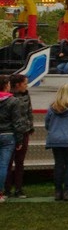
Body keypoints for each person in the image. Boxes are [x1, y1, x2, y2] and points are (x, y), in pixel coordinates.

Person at [5, 75, 34, 198]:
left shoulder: (26, 95)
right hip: (11, 132)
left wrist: (30, 126)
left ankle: (18, 188)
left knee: (20, 162)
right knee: (7, 162)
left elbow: (29, 112)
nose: (26, 86)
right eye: (25, 83)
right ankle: (6, 188)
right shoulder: (8, 98)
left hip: (24, 131)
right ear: (17, 85)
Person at [0, 75, 24, 204]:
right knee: (3, 165)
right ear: (6, 85)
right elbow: (17, 122)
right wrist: (19, 140)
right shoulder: (13, 101)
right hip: (8, 134)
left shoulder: (13, 100)